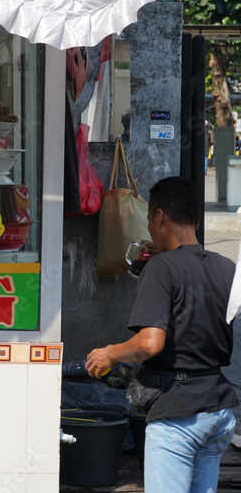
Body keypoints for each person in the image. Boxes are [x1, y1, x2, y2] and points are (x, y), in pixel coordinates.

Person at [86, 177, 237, 493]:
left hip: (177, 417)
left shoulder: (162, 269)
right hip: (217, 411)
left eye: (149, 220)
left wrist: (109, 353)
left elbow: (150, 342)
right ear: (196, 220)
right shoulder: (226, 267)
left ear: (158, 217)